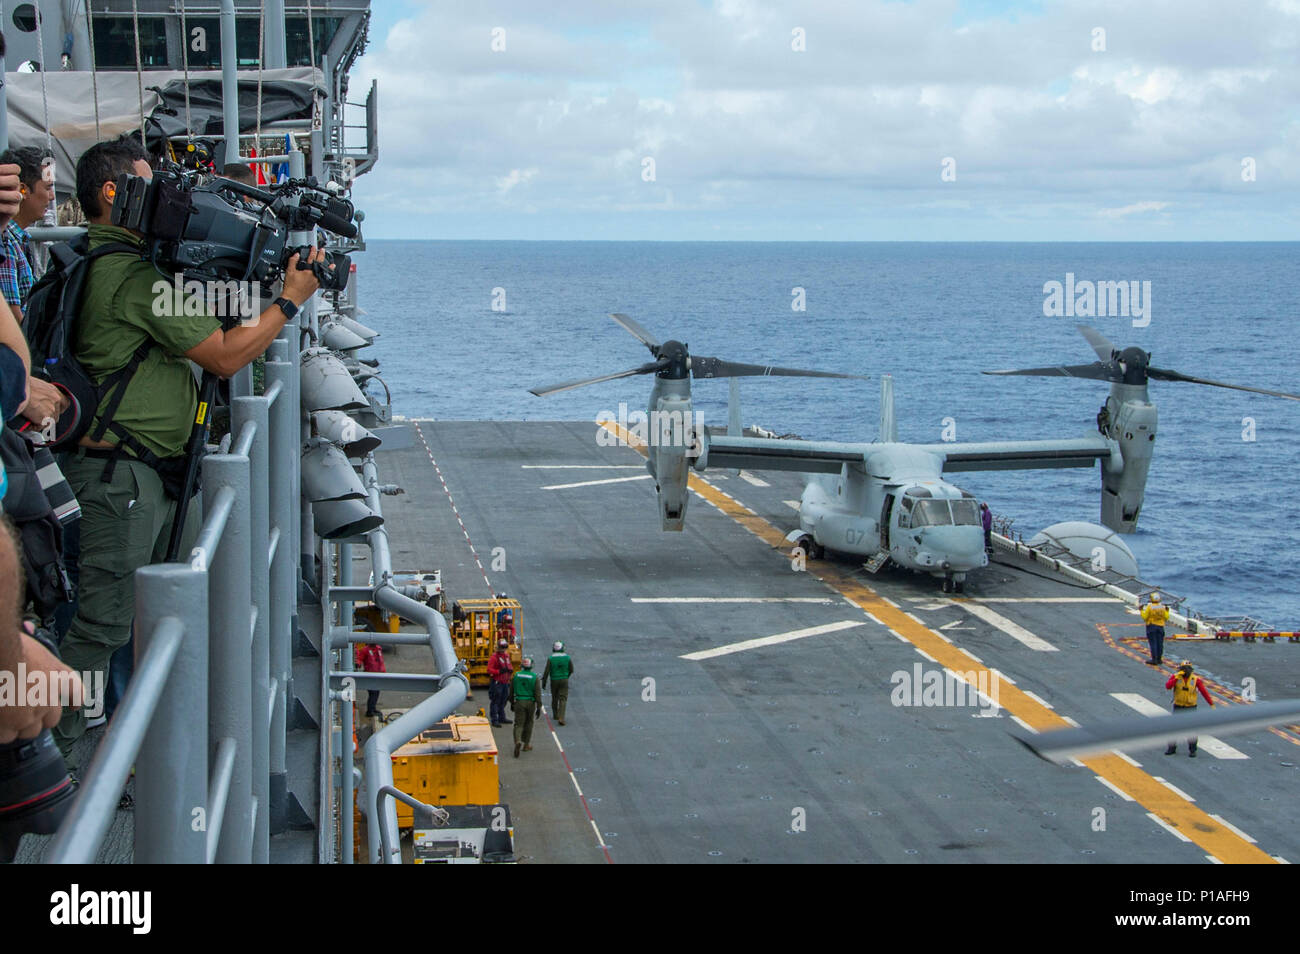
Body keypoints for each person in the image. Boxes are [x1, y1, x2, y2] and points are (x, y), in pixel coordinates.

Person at [52, 137, 325, 756]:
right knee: (100, 629)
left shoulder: (105, 263)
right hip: (120, 483)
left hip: (142, 476)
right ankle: (52, 760)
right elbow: (227, 357)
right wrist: (290, 299)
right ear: (113, 195)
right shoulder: (131, 279)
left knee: (146, 620)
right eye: (155, 189)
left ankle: (130, 747)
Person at [1165, 660, 1214, 757]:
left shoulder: (1195, 680)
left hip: (1190, 707)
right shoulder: (1176, 677)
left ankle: (1192, 750)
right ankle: (1171, 748)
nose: (1186, 671)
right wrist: (1176, 678)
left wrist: (1211, 703)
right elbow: (1168, 686)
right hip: (1178, 706)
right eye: (1184, 669)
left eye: (1187, 669)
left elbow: (1204, 692)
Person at [509, 657, 540, 757]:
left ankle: (518, 741)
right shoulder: (535, 677)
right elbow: (537, 694)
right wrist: (539, 706)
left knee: (518, 724)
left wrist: (512, 703)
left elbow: (511, 690)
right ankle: (526, 745)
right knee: (529, 723)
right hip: (530, 702)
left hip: (519, 701)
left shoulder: (516, 675)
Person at [541, 640, 573, 726]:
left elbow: (546, 671)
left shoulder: (551, 658)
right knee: (563, 698)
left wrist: (544, 682)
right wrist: (566, 676)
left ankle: (555, 714)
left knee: (554, 697)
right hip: (564, 679)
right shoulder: (567, 657)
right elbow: (571, 669)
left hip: (554, 680)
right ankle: (561, 717)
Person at [354, 641, 385, 717]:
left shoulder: (378, 648)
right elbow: (359, 658)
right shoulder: (365, 650)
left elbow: (380, 661)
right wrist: (357, 664)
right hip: (370, 675)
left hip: (378, 675)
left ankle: (372, 709)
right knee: (373, 693)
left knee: (376, 693)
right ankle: (370, 711)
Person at [486, 638, 513, 727]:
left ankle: (502, 717)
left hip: (505, 682)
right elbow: (489, 670)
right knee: (496, 701)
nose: (503, 649)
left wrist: (509, 672)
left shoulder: (506, 656)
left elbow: (509, 666)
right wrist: (499, 671)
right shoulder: (494, 657)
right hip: (497, 682)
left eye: (505, 647)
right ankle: (494, 719)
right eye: (502, 647)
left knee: (504, 700)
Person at [1140, 592, 1169, 666]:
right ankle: (1159, 659)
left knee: (1153, 643)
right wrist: (1167, 611)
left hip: (1151, 626)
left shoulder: (1150, 607)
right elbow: (1166, 617)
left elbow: (1145, 617)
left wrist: (1141, 610)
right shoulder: (1162, 607)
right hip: (1160, 627)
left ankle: (1154, 659)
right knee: (1160, 643)